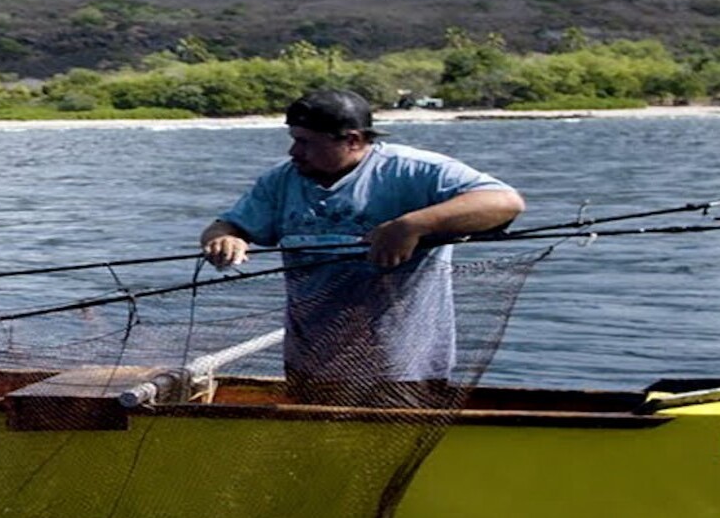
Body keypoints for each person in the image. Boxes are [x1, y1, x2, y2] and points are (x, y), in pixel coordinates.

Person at [200, 89, 524, 406]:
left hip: (399, 365)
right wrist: (225, 237)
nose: (293, 152)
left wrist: (411, 226)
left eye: (305, 142)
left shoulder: (413, 170)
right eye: (294, 139)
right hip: (311, 361)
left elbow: (504, 202)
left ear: (353, 140)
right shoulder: (281, 181)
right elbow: (227, 225)